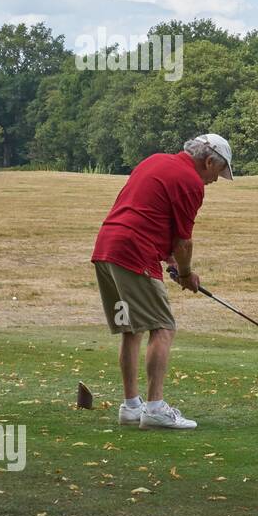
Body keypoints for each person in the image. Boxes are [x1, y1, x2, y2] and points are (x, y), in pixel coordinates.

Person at [91, 134, 234, 429]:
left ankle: (131, 407)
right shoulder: (191, 181)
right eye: (217, 172)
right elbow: (184, 242)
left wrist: (169, 260)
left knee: (131, 328)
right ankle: (155, 408)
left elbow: (150, 216)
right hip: (134, 251)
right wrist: (184, 273)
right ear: (208, 161)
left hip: (107, 247)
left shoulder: (155, 160)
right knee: (163, 326)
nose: (215, 180)